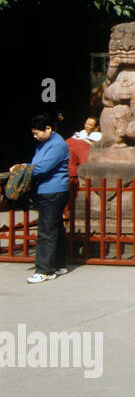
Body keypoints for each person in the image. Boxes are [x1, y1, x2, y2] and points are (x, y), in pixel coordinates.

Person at [16, 114, 70, 283]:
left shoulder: (58, 145)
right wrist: (26, 167)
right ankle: (60, 263)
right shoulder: (43, 144)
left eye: (37, 133)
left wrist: (23, 169)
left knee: (46, 230)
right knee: (55, 227)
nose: (35, 136)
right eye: (33, 133)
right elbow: (35, 164)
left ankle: (44, 270)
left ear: (48, 129)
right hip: (46, 190)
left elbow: (42, 168)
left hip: (53, 190)